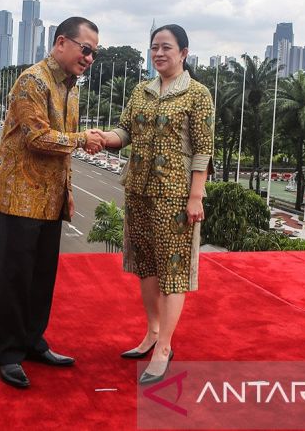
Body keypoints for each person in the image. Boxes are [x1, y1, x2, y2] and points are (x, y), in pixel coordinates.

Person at [91, 24, 214, 385]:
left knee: (172, 270)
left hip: (175, 195)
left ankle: (164, 347)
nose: (159, 53)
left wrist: (196, 196)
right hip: (139, 191)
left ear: (184, 53)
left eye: (166, 47)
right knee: (145, 265)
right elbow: (125, 132)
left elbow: (203, 149)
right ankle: (152, 332)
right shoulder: (141, 91)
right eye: (154, 47)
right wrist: (101, 138)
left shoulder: (197, 94)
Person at [0, 16, 105, 389]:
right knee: (15, 279)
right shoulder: (33, 81)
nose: (89, 58)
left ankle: (33, 342)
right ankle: (8, 353)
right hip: (22, 196)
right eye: (85, 49)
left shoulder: (71, 87)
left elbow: (63, 149)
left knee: (42, 279)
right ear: (61, 43)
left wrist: (68, 191)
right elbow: (37, 137)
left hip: (51, 198)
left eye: (94, 53)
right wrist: (82, 138)